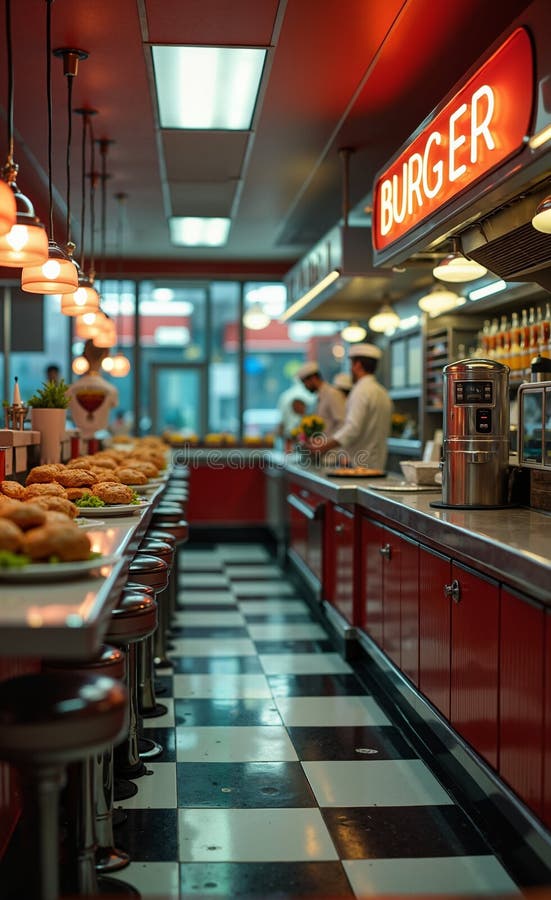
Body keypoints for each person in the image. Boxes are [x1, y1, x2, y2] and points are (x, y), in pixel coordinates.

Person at [309, 343, 393, 470]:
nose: (350, 369)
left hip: (359, 465)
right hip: (377, 464)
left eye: (351, 364)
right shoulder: (382, 392)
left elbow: (353, 428)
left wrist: (323, 447)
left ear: (357, 365)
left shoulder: (360, 391)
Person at [67, 340, 119, 439]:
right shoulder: (111, 390)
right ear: (105, 355)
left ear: (84, 355)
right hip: (100, 440)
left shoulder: (70, 390)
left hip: (78, 439)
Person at [296, 360, 346, 439]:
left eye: (305, 383)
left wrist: (331, 443)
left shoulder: (332, 394)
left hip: (332, 445)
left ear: (313, 378)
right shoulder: (320, 396)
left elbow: (342, 422)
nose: (305, 387)